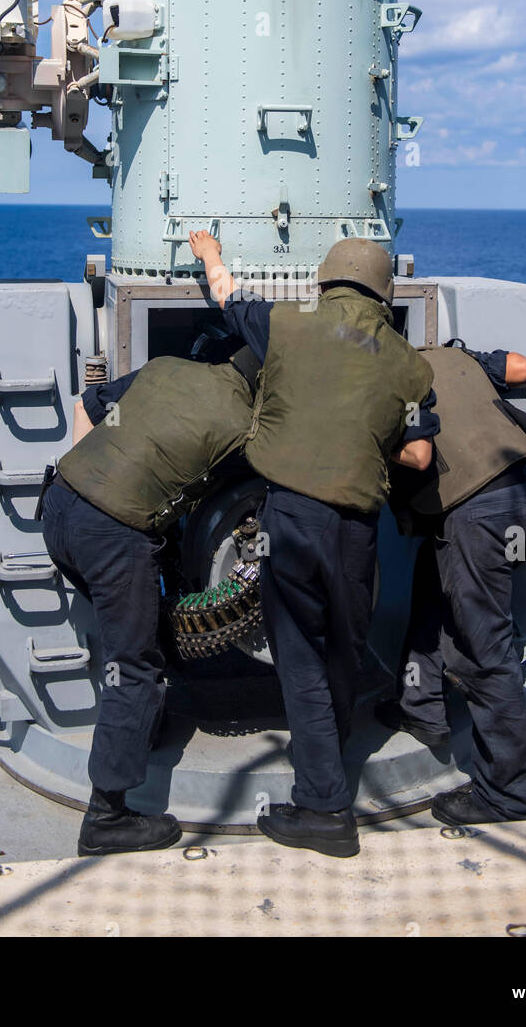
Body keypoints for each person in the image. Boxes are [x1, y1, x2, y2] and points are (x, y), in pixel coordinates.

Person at [188, 231, 434, 857]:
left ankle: (324, 808)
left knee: (297, 657)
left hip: (289, 519)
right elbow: (419, 452)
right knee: (345, 650)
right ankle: (334, 753)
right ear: (385, 292)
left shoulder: (285, 324)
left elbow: (228, 297)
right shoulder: (411, 366)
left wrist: (212, 255)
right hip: (356, 530)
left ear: (324, 281)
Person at [39, 341, 261, 856]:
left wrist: (99, 488)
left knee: (137, 631)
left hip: (59, 505)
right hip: (112, 537)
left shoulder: (165, 366)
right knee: (135, 665)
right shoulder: (244, 424)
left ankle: (142, 727)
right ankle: (107, 818)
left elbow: (85, 406)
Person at [379, 339, 526, 826]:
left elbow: (416, 456)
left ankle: (507, 796)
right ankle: (421, 707)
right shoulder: (457, 355)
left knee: (481, 648)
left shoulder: (384, 377)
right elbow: (523, 368)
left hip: (479, 510)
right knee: (433, 583)